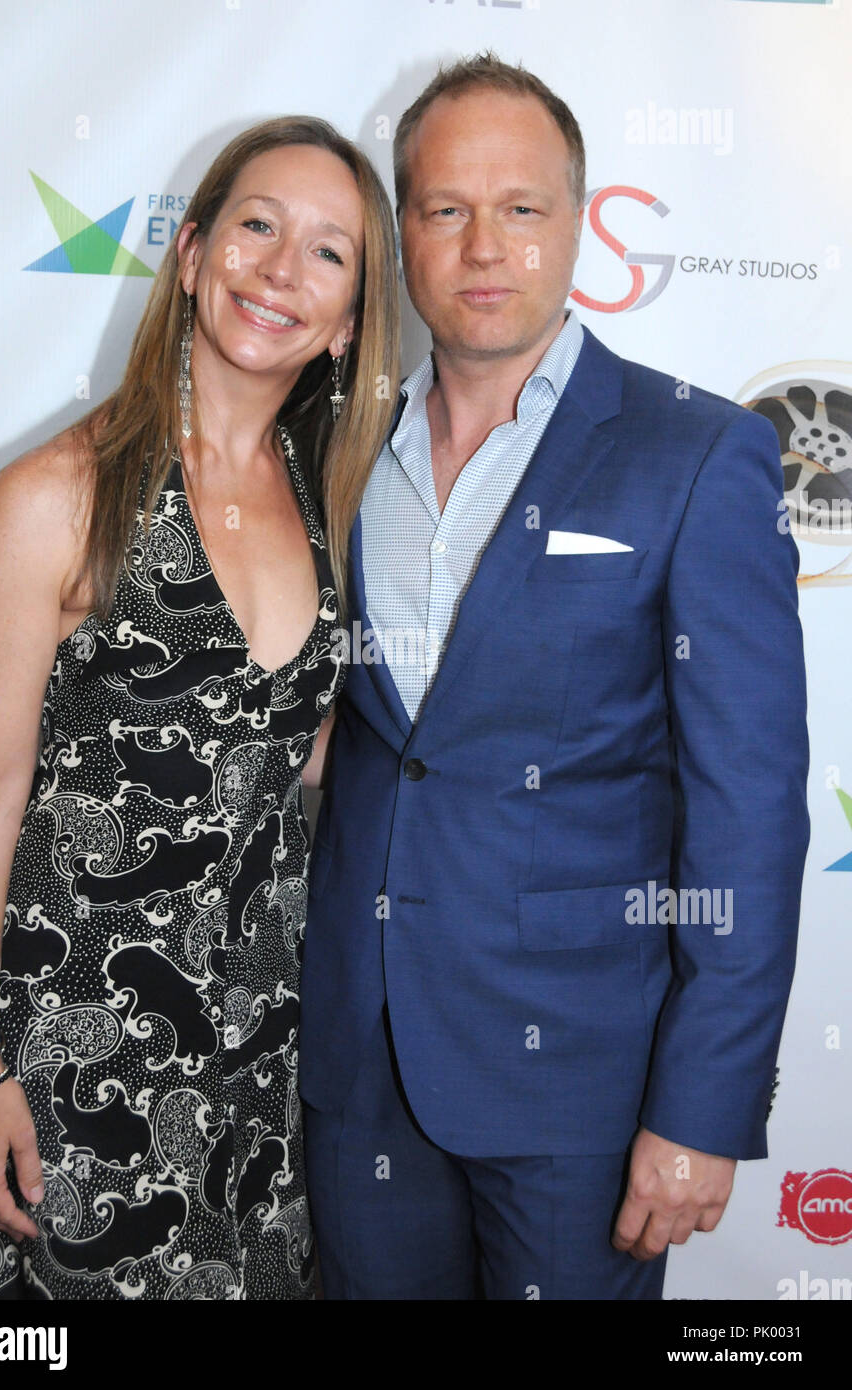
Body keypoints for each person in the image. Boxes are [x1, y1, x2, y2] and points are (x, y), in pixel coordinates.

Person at [299, 53, 810, 1300]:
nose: (485, 245)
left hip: (584, 1086)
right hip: (359, 1066)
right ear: (401, 232)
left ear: (579, 224)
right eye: (445, 208)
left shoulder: (700, 457)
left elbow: (748, 815)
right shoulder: (331, 442)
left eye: (521, 208)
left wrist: (704, 1105)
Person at [0, 115, 399, 1299]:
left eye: (328, 253)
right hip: (68, 1062)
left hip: (255, 1064)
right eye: (256, 225)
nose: (281, 269)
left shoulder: (327, 505)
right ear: (191, 254)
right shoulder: (54, 496)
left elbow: (299, 776)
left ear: (348, 324)